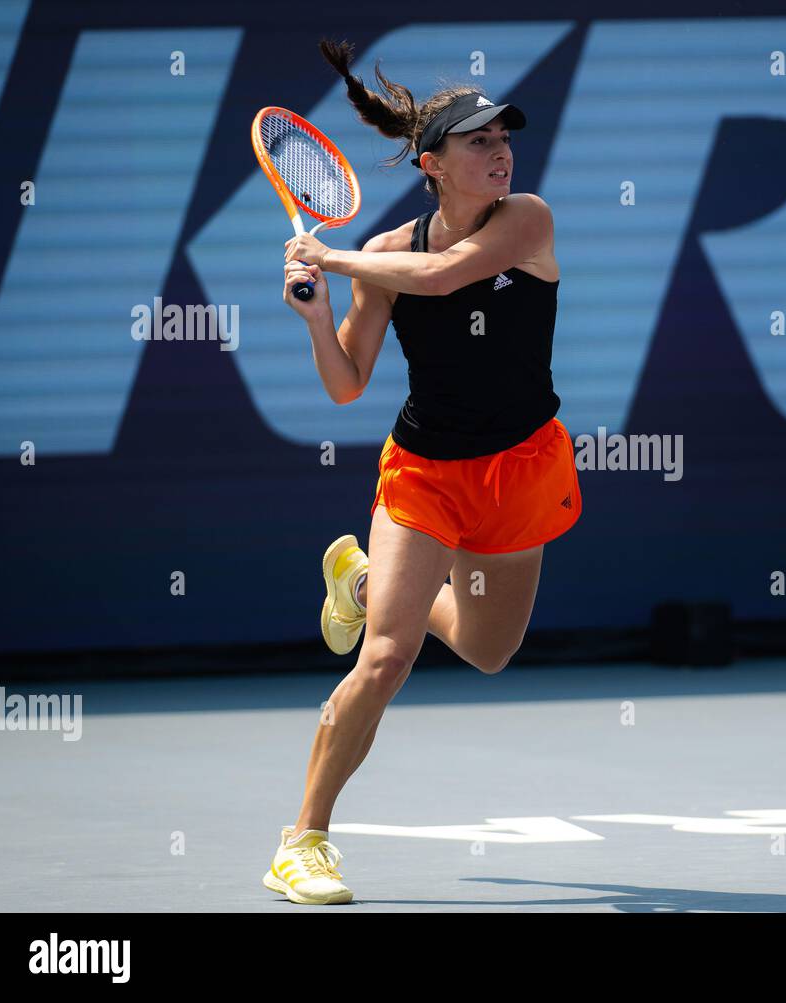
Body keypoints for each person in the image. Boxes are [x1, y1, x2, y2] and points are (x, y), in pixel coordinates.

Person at [262, 40, 581, 904]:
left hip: (520, 465)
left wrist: (333, 259)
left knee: (486, 650)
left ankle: (363, 583)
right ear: (433, 164)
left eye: (502, 136)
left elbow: (442, 278)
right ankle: (304, 839)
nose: (499, 150)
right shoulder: (386, 251)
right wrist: (319, 313)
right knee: (387, 657)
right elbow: (345, 384)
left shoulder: (528, 220)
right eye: (477, 142)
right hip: (426, 469)